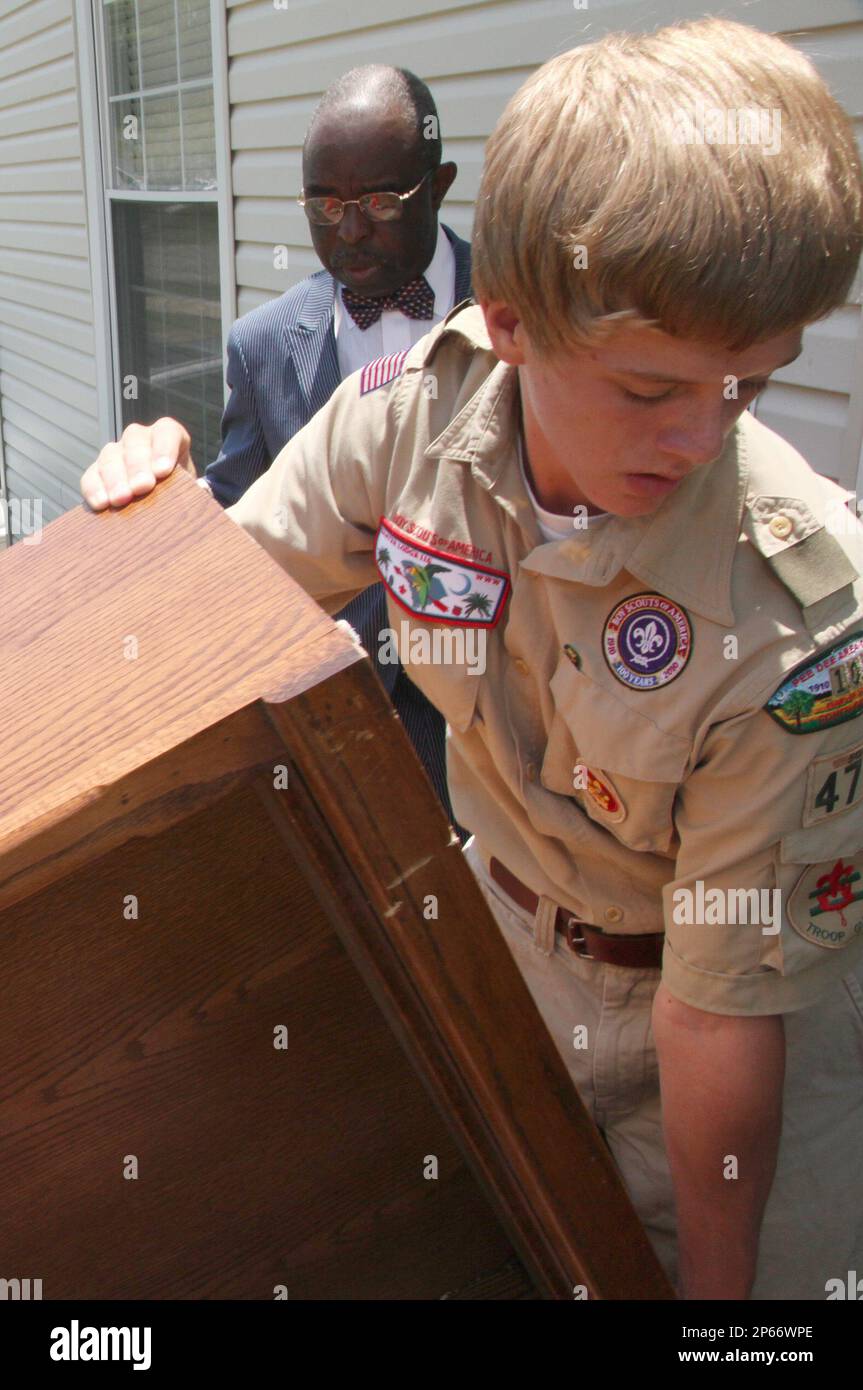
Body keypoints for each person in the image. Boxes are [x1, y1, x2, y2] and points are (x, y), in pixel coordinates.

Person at [81, 18, 863, 1301]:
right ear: (505, 321)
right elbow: (212, 609)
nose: (702, 433)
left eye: (749, 383)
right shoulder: (401, 427)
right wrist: (148, 517)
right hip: (501, 941)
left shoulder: (799, 620)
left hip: (730, 1020)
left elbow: (720, 1010)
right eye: (652, 386)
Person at [205, 65, 473, 828]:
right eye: (324, 206)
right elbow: (238, 527)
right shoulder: (261, 348)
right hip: (337, 744)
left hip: (500, 751)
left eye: (381, 202)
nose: (349, 230)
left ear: (439, 183)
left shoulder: (521, 310)